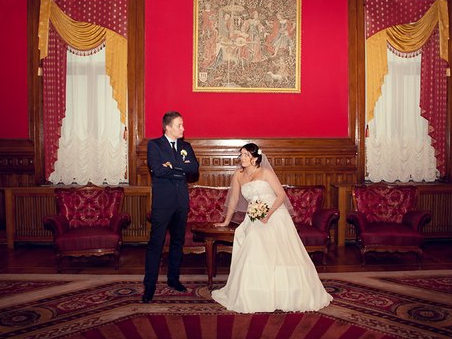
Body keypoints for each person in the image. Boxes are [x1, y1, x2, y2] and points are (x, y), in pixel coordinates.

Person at [211, 143, 332, 313]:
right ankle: (254, 293)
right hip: (254, 216)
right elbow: (233, 199)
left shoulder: (266, 172)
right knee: (251, 241)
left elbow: (281, 195)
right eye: (241, 154)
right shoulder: (238, 174)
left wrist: (268, 214)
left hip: (275, 213)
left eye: (246, 155)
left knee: (277, 250)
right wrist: (226, 221)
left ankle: (285, 292)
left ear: (254, 158)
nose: (242, 158)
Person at [142, 111, 199, 303]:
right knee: (156, 245)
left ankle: (173, 280)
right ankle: (149, 287)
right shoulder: (154, 145)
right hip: (162, 204)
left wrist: (172, 166)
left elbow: (194, 169)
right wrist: (181, 167)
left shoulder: (186, 146)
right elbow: (158, 170)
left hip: (181, 202)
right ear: (168, 127)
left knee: (177, 243)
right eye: (179, 125)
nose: (183, 128)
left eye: (182, 125)